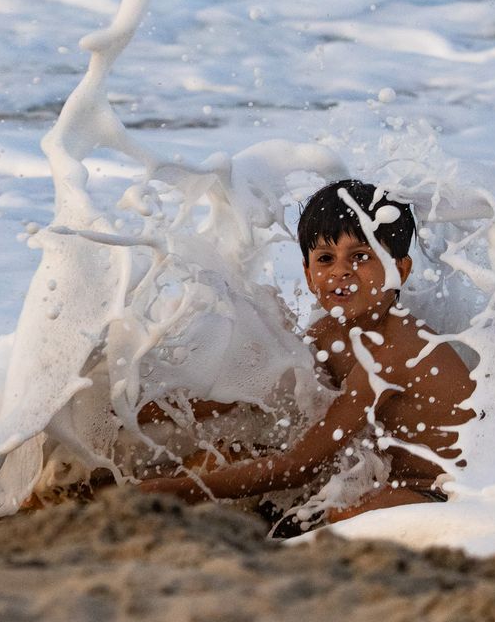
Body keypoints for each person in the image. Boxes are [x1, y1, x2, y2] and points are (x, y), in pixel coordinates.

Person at [139, 179, 474, 524]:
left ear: (399, 271)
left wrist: (176, 490)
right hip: (376, 477)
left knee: (346, 510)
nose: (340, 270)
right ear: (308, 275)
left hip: (440, 493)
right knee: (226, 455)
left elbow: (299, 467)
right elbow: (257, 396)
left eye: (360, 256)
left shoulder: (393, 350)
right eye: (325, 258)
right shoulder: (327, 334)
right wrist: (155, 410)